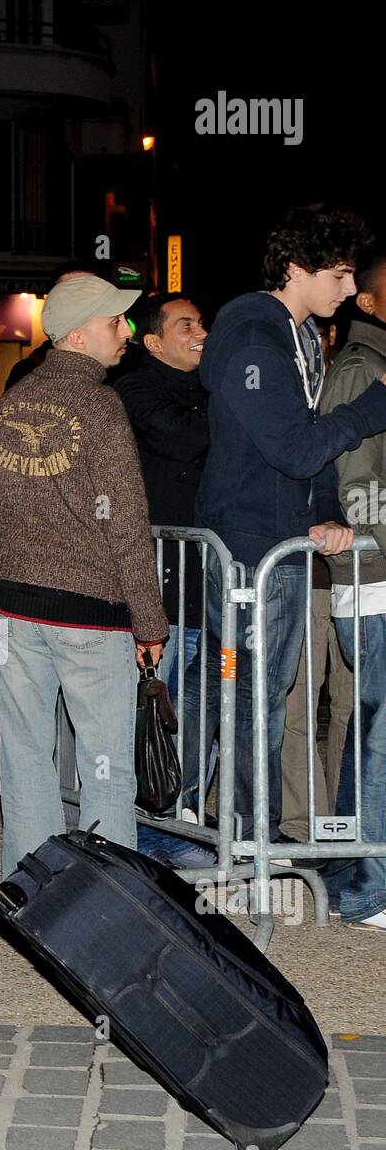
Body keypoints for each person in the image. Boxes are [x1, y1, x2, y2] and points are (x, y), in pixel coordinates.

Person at [0, 274, 168, 876]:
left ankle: (31, 890)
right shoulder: (99, 405)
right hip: (90, 617)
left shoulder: (14, 399)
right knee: (104, 763)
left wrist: (9, 558)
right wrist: (150, 621)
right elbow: (126, 523)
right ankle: (110, 898)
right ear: (77, 334)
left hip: (15, 609)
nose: (124, 332)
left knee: (25, 757)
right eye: (112, 323)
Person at [188, 205, 386, 843]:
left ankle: (250, 837)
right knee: (252, 698)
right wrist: (372, 409)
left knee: (265, 695)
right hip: (252, 547)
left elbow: (303, 460)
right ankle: (247, 843)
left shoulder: (295, 334)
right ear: (297, 269)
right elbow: (296, 446)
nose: (351, 290)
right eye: (340, 275)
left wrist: (324, 515)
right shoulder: (254, 336)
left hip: (280, 542)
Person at [321, 255, 386, 930]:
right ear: (366, 303)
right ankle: (370, 889)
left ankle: (348, 873)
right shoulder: (361, 372)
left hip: (375, 580)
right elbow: (356, 488)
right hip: (373, 583)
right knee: (378, 738)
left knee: (370, 733)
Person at [280, 317, 353, 842]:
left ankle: (349, 818)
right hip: (304, 575)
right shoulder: (287, 399)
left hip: (356, 574)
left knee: (353, 704)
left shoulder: (349, 384)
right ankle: (307, 824)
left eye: (324, 334)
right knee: (300, 704)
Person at [115, 292, 209, 699]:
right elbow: (183, 438)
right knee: (157, 702)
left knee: (204, 705)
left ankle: (192, 767)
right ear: (153, 342)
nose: (202, 333)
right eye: (185, 325)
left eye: (201, 322)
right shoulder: (133, 389)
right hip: (160, 586)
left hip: (207, 579)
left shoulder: (209, 389)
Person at [5, 263, 98, 389]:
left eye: (87, 293)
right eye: (68, 294)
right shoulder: (27, 372)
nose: (78, 303)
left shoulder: (128, 365)